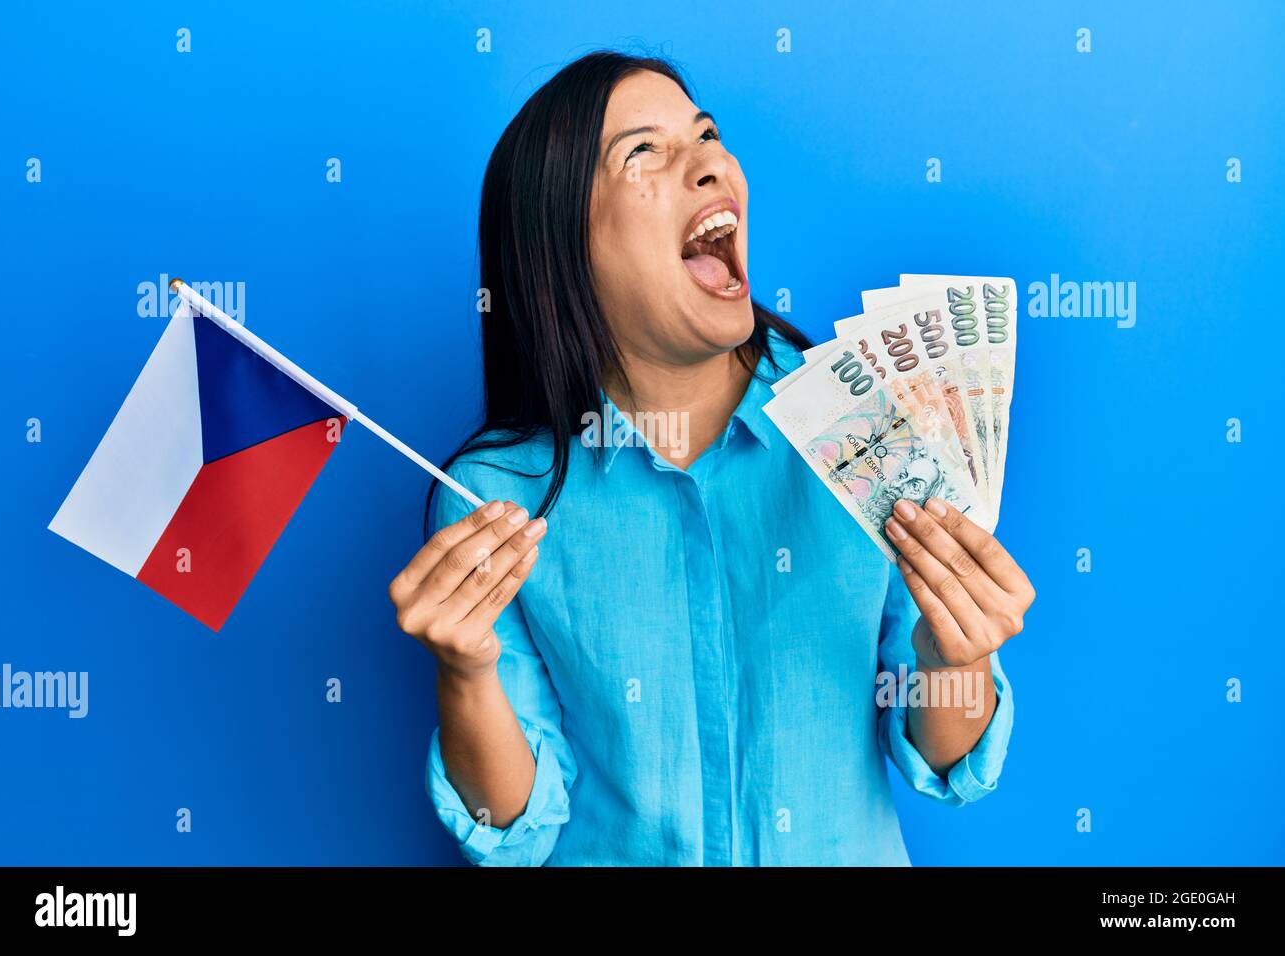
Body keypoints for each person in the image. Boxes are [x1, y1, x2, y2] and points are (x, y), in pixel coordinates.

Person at [387, 51, 1036, 866]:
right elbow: (515, 828)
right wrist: (465, 671)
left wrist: (956, 655)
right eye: (643, 152)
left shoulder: (871, 422)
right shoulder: (493, 498)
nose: (709, 164)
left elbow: (946, 761)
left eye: (706, 133)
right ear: (561, 249)